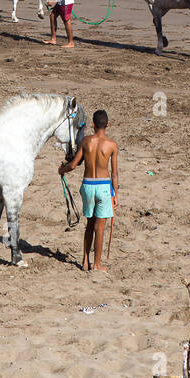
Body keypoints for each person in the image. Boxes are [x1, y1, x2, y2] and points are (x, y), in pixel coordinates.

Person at [60, 110, 119, 273]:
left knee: (89, 225)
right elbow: (114, 173)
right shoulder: (112, 145)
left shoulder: (86, 141)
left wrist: (61, 171)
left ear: (93, 124)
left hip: (87, 185)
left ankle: (85, 261)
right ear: (108, 125)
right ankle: (97, 265)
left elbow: (72, 165)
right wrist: (115, 195)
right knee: (99, 228)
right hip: (103, 186)